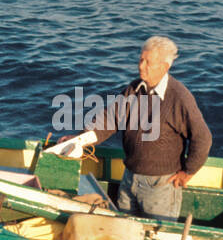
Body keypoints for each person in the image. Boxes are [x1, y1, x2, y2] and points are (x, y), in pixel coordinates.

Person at [53, 35, 212, 220]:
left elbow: (203, 138)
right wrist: (79, 140)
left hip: (160, 187)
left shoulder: (179, 97)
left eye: (147, 62)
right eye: (140, 59)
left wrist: (188, 172)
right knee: (125, 234)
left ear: (164, 67)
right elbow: (108, 120)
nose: (141, 66)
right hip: (129, 180)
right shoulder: (133, 89)